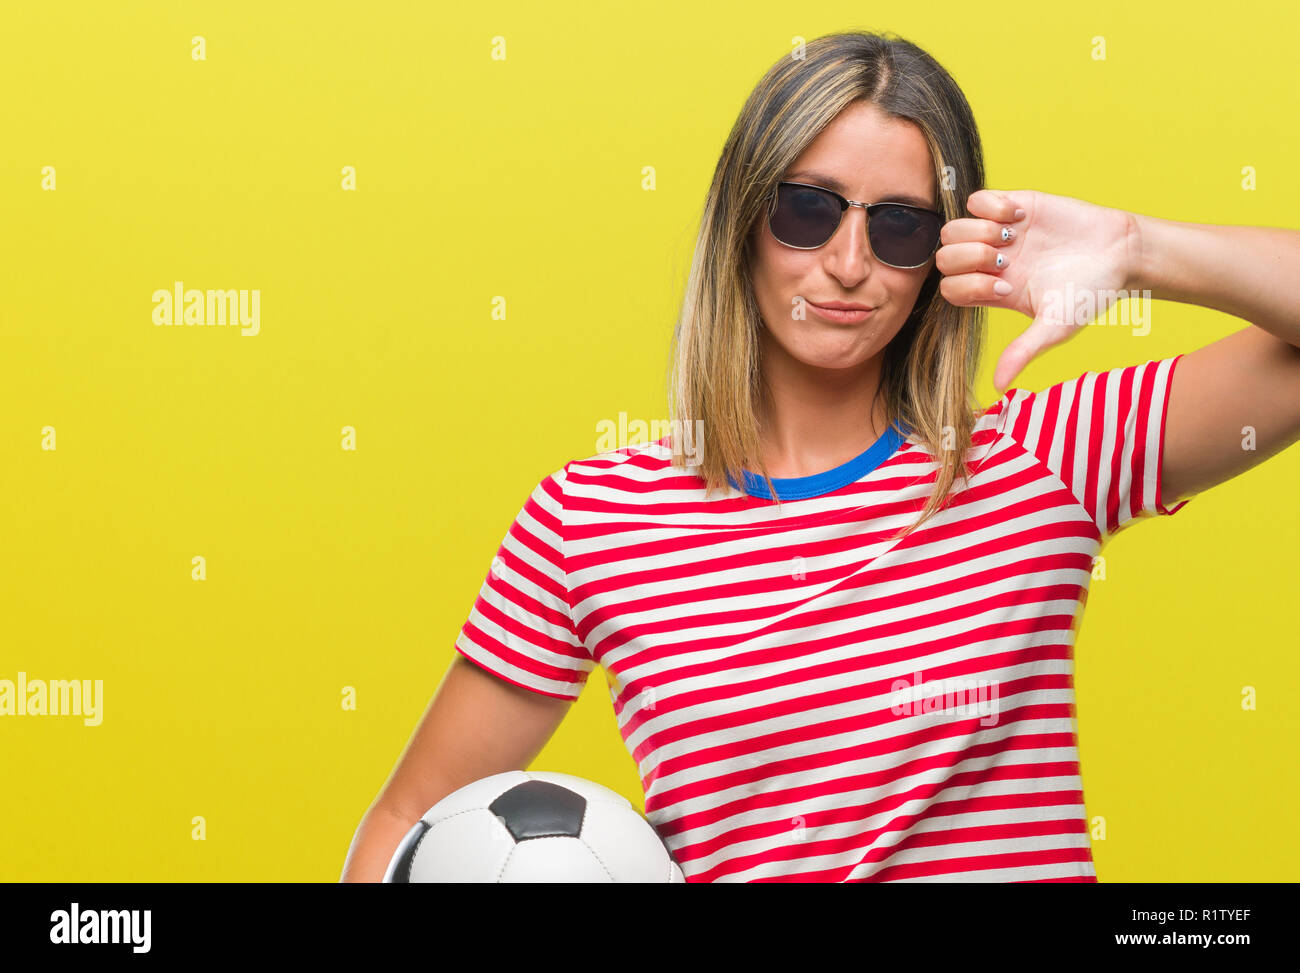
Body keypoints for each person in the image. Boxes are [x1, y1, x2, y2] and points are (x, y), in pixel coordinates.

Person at [341, 30, 1300, 882]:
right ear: (742, 222)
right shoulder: (587, 520)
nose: (848, 264)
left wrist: (1134, 247)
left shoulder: (1044, 458)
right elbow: (406, 821)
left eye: (900, 226)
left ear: (941, 255)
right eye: (808, 210)